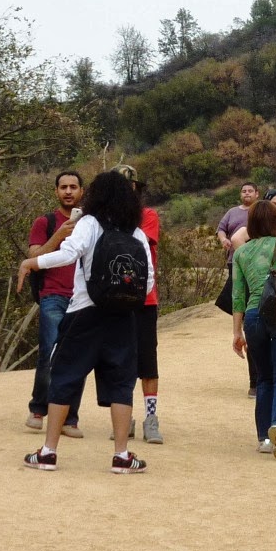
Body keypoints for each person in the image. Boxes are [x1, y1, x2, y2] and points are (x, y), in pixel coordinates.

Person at [16, 170, 155, 473]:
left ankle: (49, 452)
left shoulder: (89, 224)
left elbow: (68, 254)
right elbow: (148, 281)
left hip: (84, 313)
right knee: (121, 384)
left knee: (65, 377)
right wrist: (125, 300)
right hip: (122, 318)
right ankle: (122, 456)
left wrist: (32, 262)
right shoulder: (136, 233)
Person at [231, 200, 276, 461]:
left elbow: (238, 296)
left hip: (253, 317)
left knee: (263, 378)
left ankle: (264, 437)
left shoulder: (241, 253)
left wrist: (236, 332)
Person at [25, 171, 86, 438]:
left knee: (78, 358)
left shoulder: (91, 223)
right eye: (63, 187)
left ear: (82, 191)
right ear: (56, 192)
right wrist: (58, 236)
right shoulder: (45, 222)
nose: (68, 192)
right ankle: (39, 409)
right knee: (49, 352)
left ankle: (69, 418)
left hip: (83, 298)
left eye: (73, 187)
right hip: (52, 294)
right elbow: (34, 256)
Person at [110, 164, 164, 444]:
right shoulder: (103, 220)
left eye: (128, 187)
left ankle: (151, 418)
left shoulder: (149, 216)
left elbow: (133, 239)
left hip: (144, 300)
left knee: (147, 361)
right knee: (120, 362)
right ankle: (125, 416)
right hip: (114, 299)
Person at [214, 182, 260, 397]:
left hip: (257, 267)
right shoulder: (232, 213)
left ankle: (261, 379)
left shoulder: (260, 213)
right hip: (235, 262)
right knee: (238, 301)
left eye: (250, 191)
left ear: (257, 194)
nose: (247, 193)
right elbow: (221, 230)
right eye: (244, 191)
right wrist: (224, 240)